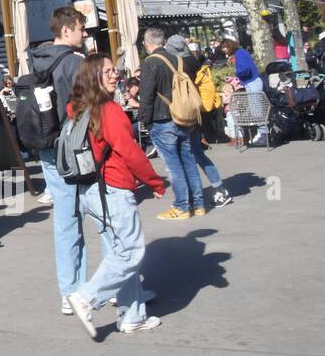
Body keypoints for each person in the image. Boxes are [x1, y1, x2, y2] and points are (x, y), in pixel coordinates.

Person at [64, 54, 167, 338]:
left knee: (120, 251)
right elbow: (130, 151)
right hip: (113, 189)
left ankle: (132, 317)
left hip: (90, 192)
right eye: (107, 71)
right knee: (131, 251)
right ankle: (87, 297)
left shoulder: (78, 107)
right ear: (94, 76)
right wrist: (155, 182)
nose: (115, 75)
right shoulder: (108, 110)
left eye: (115, 70)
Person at [27, 6, 88, 309]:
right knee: (104, 215)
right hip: (77, 147)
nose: (84, 33)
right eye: (81, 28)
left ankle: (71, 290)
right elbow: (90, 107)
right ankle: (104, 286)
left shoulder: (37, 58)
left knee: (66, 218)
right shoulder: (76, 63)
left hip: (48, 144)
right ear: (66, 30)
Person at [138, 29, 206, 219]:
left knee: (173, 165)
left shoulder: (150, 62)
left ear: (147, 43)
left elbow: (147, 95)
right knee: (188, 160)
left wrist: (144, 119)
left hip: (161, 119)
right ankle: (198, 204)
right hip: (183, 116)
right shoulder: (177, 60)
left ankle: (182, 206)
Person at [221, 38, 267, 145]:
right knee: (257, 108)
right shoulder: (241, 52)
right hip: (253, 81)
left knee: (257, 110)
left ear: (230, 46)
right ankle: (262, 134)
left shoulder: (239, 54)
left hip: (252, 82)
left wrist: (236, 70)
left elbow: (245, 69)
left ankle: (263, 135)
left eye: (225, 47)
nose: (224, 50)